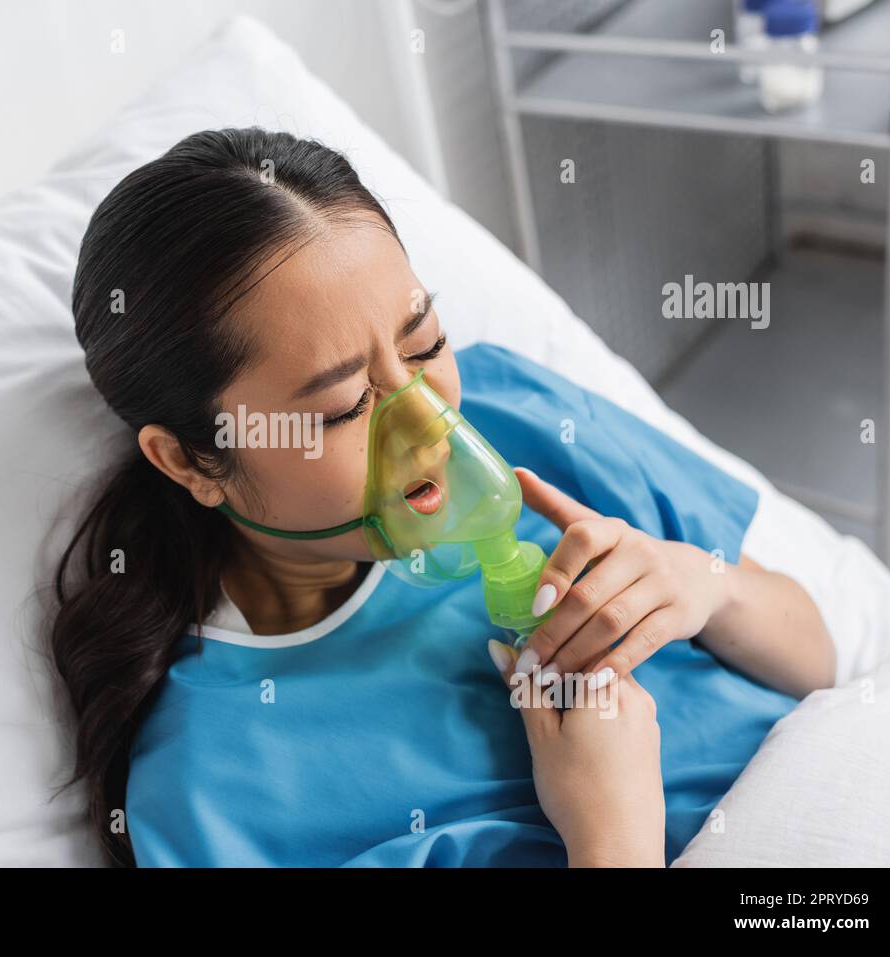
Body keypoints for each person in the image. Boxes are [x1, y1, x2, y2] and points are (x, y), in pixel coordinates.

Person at [48, 126, 835, 867]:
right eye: (342, 407)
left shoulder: (519, 416)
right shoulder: (211, 792)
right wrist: (612, 833)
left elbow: (818, 660)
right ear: (189, 459)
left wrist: (708, 586)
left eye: (423, 344)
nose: (428, 424)